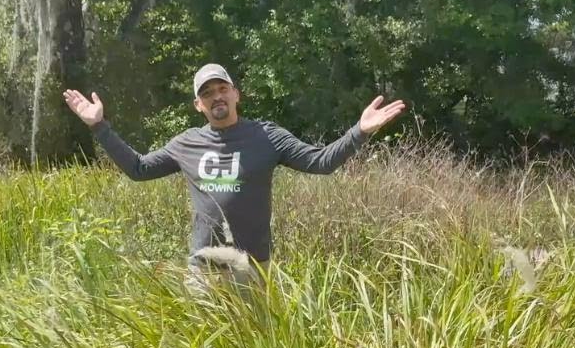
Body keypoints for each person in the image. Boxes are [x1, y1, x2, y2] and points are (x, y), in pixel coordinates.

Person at [62, 64, 405, 291]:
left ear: (236, 93)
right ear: (199, 105)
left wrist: (359, 132)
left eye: (221, 88)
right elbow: (138, 169)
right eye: (207, 93)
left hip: (253, 268)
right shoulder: (186, 143)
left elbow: (321, 162)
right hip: (204, 270)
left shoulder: (267, 137)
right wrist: (98, 126)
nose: (216, 97)